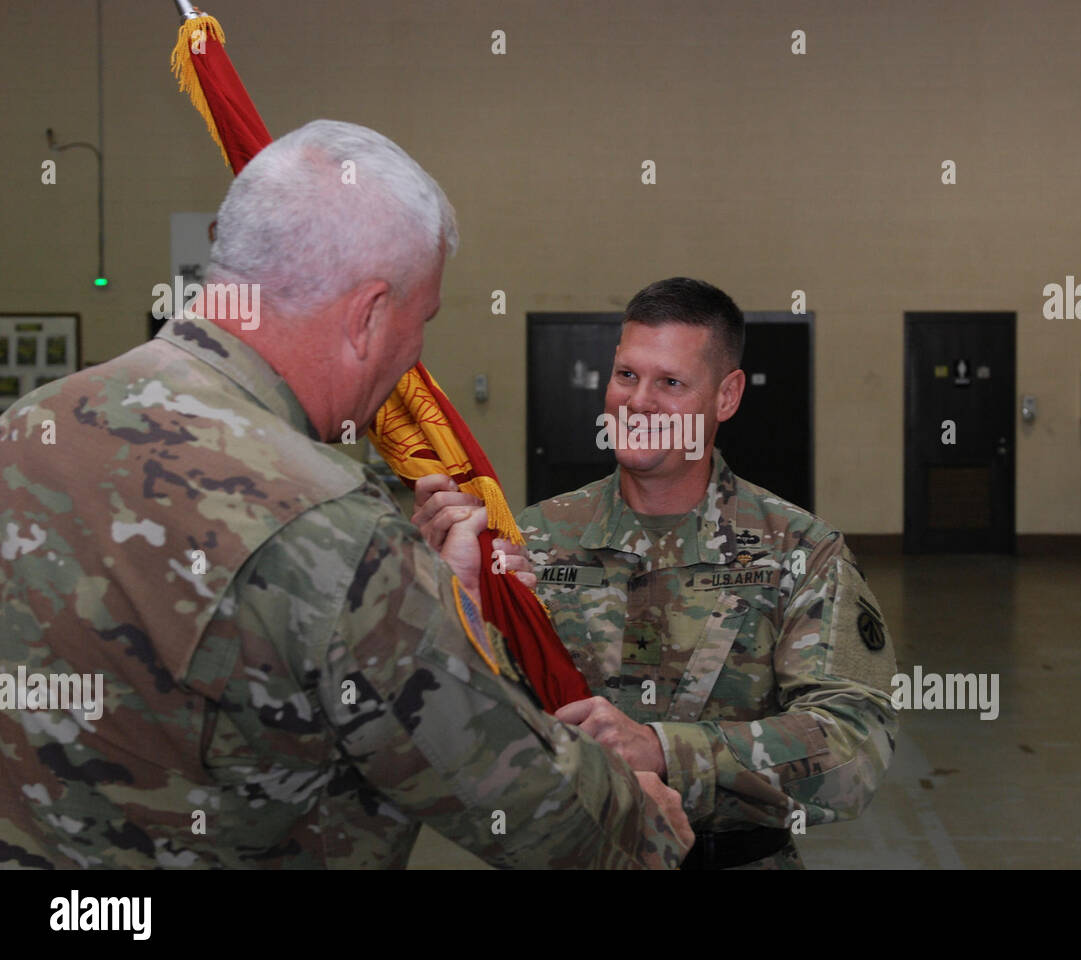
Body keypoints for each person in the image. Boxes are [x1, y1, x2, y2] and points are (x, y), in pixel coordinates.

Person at [0, 120, 691, 869]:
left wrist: (425, 597)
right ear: (366, 317)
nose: (414, 356)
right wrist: (642, 819)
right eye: (420, 321)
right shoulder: (327, 524)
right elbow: (523, 805)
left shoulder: (28, 425)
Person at [417, 277, 899, 869]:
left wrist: (664, 751)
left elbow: (854, 747)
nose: (638, 401)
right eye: (626, 375)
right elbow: (465, 731)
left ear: (726, 397)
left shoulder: (799, 550)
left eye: (670, 382)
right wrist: (458, 604)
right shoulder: (534, 538)